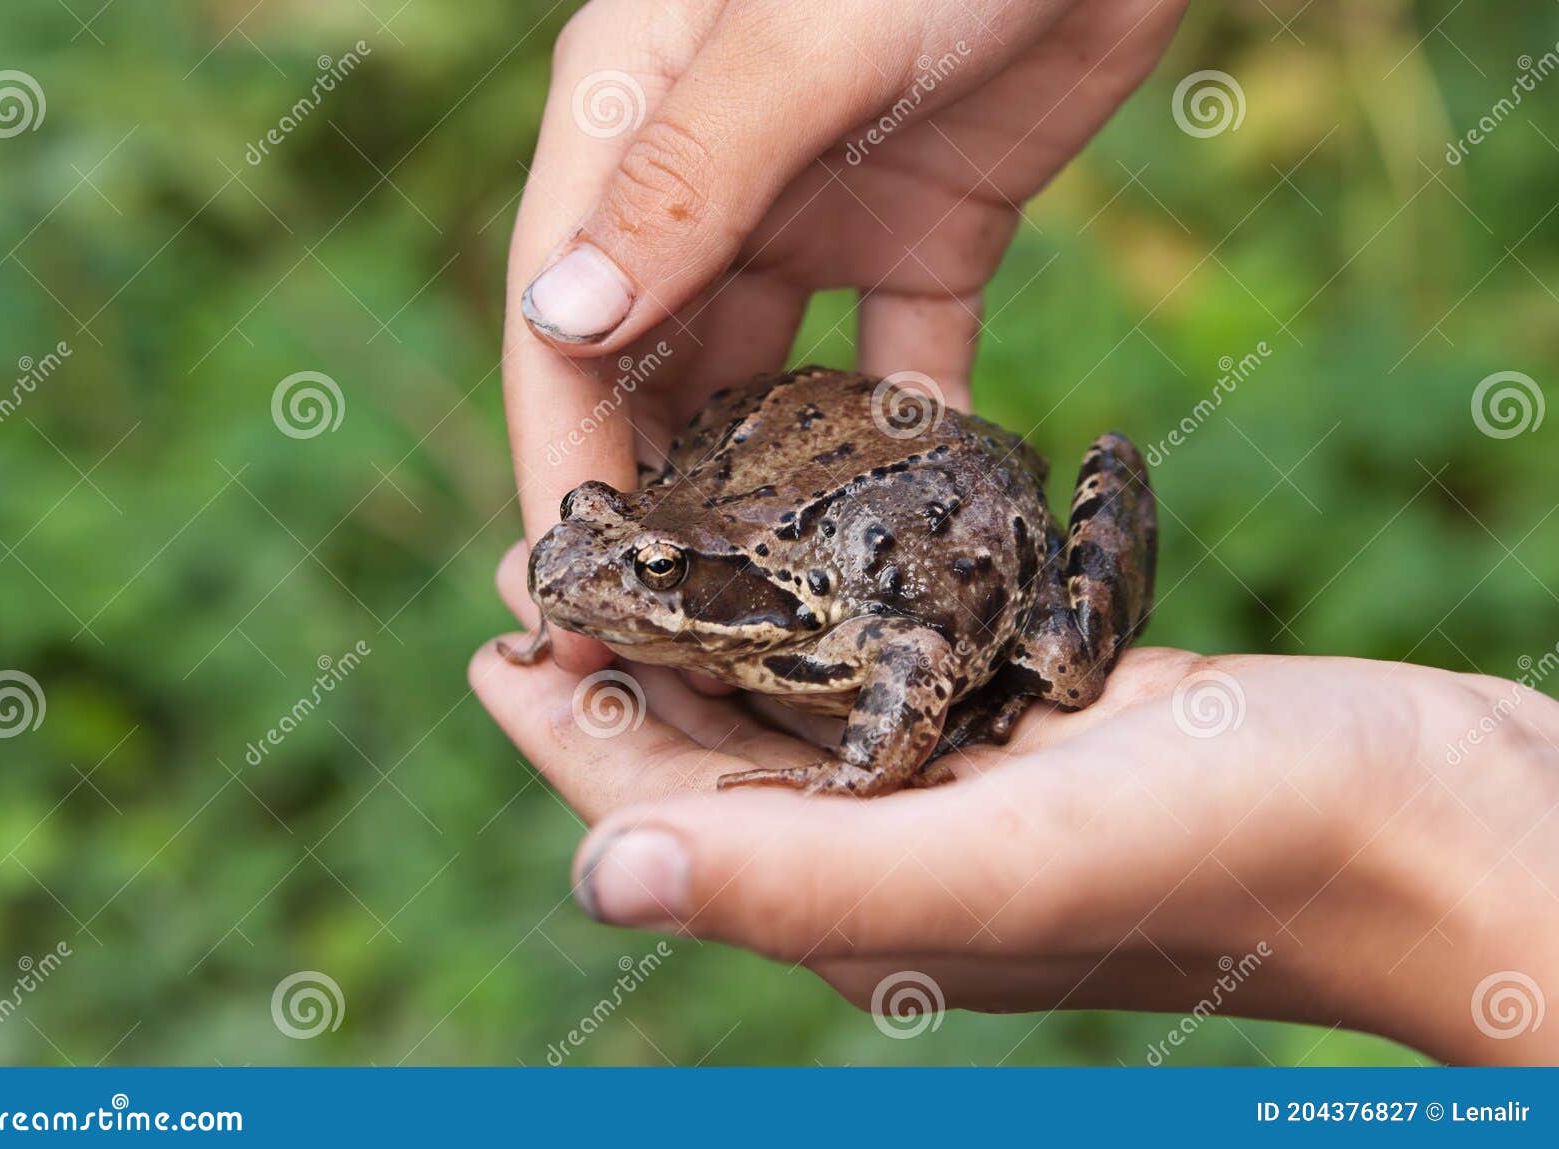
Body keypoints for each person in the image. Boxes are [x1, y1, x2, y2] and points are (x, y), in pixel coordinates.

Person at [479, 0, 1559, 1064]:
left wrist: (855, 772)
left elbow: (909, 643)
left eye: (659, 571)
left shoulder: (830, 625)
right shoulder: (693, 554)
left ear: (703, 572)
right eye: (603, 534)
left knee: (1058, 664)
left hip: (967, 514)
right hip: (815, 458)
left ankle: (1020, 664)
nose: (589, 570)